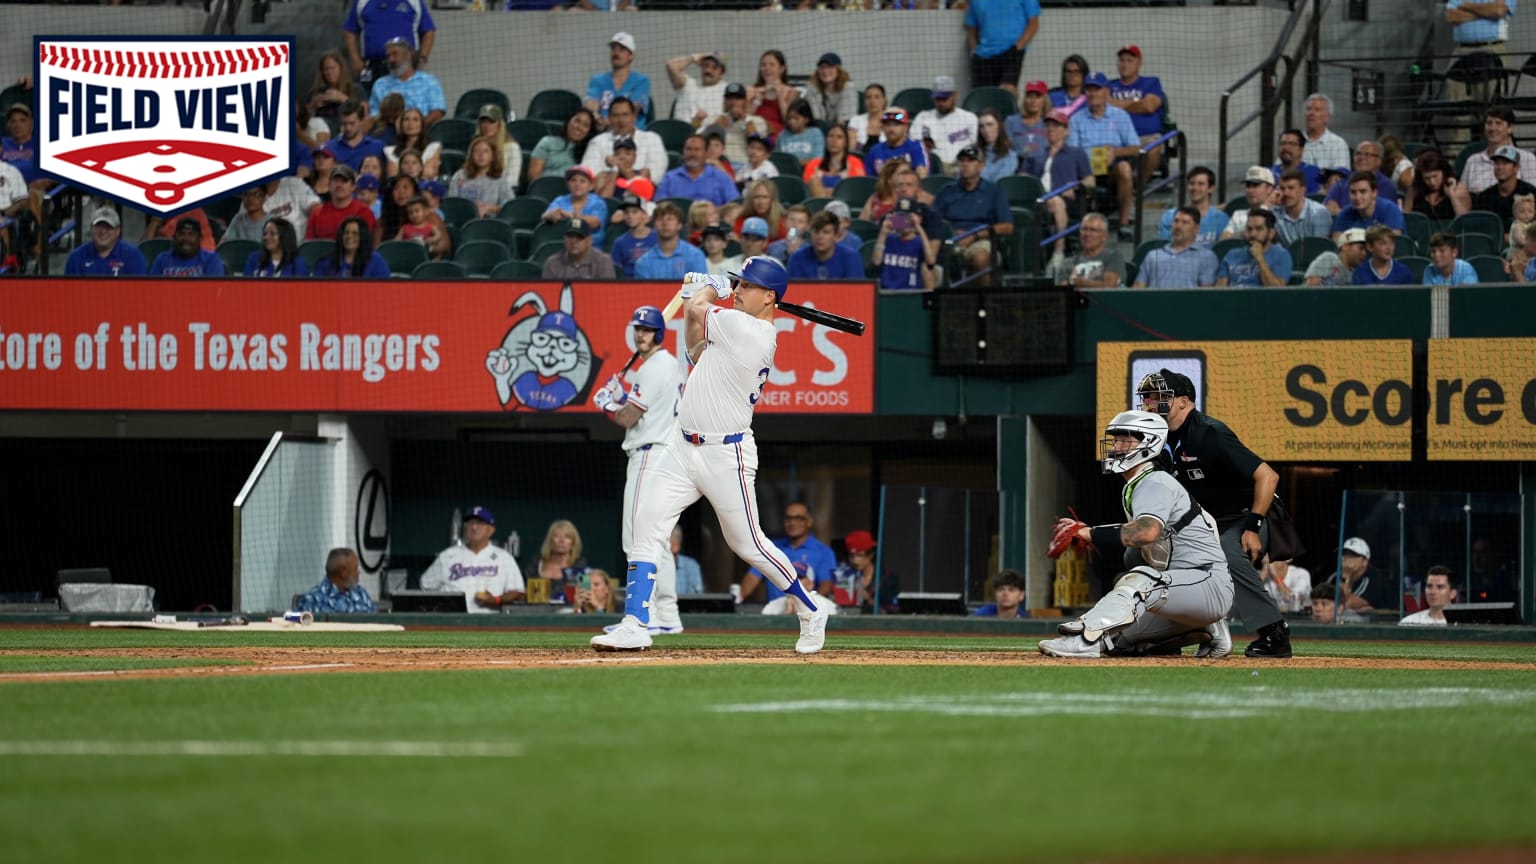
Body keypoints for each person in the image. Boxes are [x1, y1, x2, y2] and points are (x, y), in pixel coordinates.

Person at [591, 260, 831, 654]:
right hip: (682, 446)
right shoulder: (734, 326)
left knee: (748, 543)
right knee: (645, 526)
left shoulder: (752, 331)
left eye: (746, 286)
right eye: (737, 284)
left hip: (726, 454)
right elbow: (693, 345)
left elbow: (698, 308)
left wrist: (709, 287)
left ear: (769, 297)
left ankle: (810, 609)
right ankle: (635, 623)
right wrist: (700, 295)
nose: (738, 291)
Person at [1040, 411, 1233, 659]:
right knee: (1118, 640)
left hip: (1205, 583)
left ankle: (1085, 639)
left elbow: (1147, 532)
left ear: (1150, 443)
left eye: (1126, 440)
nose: (1117, 447)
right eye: (1116, 440)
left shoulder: (1155, 481)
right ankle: (1207, 626)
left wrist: (1089, 532)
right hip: (1187, 590)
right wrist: (1092, 532)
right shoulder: (1140, 483)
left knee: (1140, 578)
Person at [1138, 369, 1289, 657]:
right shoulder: (1158, 441)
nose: (1150, 402)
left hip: (1245, 516)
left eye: (1159, 396)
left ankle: (1274, 633)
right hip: (1204, 524)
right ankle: (1168, 634)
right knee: (1139, 555)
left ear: (1183, 401)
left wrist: (1253, 526)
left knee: (1227, 552)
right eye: (1148, 397)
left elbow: (1268, 477)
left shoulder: (1210, 432)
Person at [593, 306, 684, 634]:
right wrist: (621, 397)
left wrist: (606, 404)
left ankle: (645, 617)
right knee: (657, 539)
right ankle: (667, 615)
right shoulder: (668, 364)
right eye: (638, 329)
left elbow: (628, 418)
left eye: (647, 330)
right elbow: (643, 408)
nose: (641, 334)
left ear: (659, 333)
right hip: (665, 454)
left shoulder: (651, 368)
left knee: (637, 539)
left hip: (648, 456)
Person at [1068, 73, 1139, 238]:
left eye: (1097, 89)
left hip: (1111, 166)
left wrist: (1115, 152)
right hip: (1086, 167)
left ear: (1106, 91)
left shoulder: (1120, 115)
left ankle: (1124, 223)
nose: (1093, 94)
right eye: (1089, 90)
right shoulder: (1076, 119)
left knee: (1125, 168)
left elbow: (1136, 147)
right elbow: (1072, 151)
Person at [1021, 108, 1093, 270]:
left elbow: (1090, 180)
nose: (1051, 129)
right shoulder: (1036, 152)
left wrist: (1077, 185)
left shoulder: (1076, 153)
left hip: (1066, 200)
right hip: (1037, 199)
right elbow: (1023, 177)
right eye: (1048, 126)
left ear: (1066, 130)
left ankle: (1058, 252)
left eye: (1056, 126)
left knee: (1056, 201)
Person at [420, 506, 525, 612]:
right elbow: (425, 586)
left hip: (490, 621)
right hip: (453, 622)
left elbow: (518, 593)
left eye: (480, 523)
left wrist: (495, 600)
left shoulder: (504, 558)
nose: (474, 527)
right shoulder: (447, 556)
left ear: (491, 530)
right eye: (470, 523)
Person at [933, 146, 1014, 283]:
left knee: (980, 258)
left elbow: (1007, 227)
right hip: (950, 241)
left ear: (981, 166)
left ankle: (985, 302)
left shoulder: (994, 191)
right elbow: (934, 221)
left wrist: (974, 235)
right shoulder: (947, 191)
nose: (965, 164)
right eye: (962, 161)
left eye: (971, 161)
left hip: (981, 241)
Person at [736, 499, 838, 605]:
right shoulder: (770, 548)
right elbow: (752, 578)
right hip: (775, 614)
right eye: (788, 518)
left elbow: (826, 586)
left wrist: (811, 607)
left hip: (807, 613)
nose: (792, 523)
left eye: (798, 518)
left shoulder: (823, 552)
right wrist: (737, 601)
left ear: (809, 522)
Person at [343, 0, 435, 89]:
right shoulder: (362, 2)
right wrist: (356, 61)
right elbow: (350, 31)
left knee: (405, 99)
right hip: (370, 66)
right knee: (368, 97)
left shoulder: (414, 2)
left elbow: (429, 31)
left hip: (404, 66)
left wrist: (422, 58)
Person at [1107, 45, 1165, 180]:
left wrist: (1117, 104)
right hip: (1116, 138)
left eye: (1129, 60)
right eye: (1122, 60)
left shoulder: (1151, 82)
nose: (1125, 64)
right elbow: (1104, 106)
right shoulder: (1109, 85)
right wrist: (1135, 102)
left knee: (1154, 148)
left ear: (1139, 63)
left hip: (1145, 136)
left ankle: (1138, 186)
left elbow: (1149, 106)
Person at [582, 97, 667, 183]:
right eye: (616, 115)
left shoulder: (652, 139)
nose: (621, 120)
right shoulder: (597, 142)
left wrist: (617, 169)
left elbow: (656, 177)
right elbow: (588, 176)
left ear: (634, 116)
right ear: (609, 118)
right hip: (605, 195)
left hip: (642, 194)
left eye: (625, 115)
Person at [964, 0, 1042, 93]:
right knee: (983, 97)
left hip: (1011, 52)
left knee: (1007, 93)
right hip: (983, 56)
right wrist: (975, 51)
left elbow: (1033, 24)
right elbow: (971, 30)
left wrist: (1017, 48)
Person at [367, 37, 445, 127]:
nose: (391, 60)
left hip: (423, 130)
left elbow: (438, 111)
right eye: (388, 56)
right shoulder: (380, 84)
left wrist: (418, 127)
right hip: (389, 131)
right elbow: (374, 114)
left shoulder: (429, 81)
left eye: (395, 54)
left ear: (408, 54)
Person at [1133, 207, 1218, 288]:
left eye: (1185, 222)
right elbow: (1137, 292)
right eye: (1176, 221)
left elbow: (1207, 297)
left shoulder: (1206, 257)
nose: (1178, 226)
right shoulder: (1153, 256)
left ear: (1196, 228)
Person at [586, 32, 652, 131]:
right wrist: (595, 115)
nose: (616, 53)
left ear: (631, 56)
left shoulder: (641, 80)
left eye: (622, 49)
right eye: (613, 49)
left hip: (632, 134)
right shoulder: (597, 80)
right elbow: (592, 101)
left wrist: (609, 121)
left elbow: (635, 107)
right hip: (602, 133)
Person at [913, 75, 979, 174]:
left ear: (955, 95)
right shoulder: (922, 117)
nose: (940, 103)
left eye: (944, 98)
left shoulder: (969, 118)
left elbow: (975, 146)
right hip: (932, 168)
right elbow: (901, 117)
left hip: (960, 167)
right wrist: (898, 116)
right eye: (937, 99)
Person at [1462, 108, 1536, 194]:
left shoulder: (1527, 158)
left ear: (1510, 128)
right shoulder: (1473, 161)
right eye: (1489, 123)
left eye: (1498, 123)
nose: (1492, 128)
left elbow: (1533, 195)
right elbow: (1463, 195)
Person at [1316, 536, 1392, 619]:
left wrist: (1346, 575)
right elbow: (1321, 603)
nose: (1346, 558)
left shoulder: (1374, 577)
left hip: (1386, 623)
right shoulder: (1334, 577)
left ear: (1365, 562)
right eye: (1344, 554)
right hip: (1354, 619)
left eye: (1353, 555)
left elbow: (1344, 604)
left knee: (1345, 616)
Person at [656, 134, 739, 207]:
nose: (692, 154)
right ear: (683, 151)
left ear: (706, 153)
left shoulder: (722, 178)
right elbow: (660, 206)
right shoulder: (669, 178)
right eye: (689, 149)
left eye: (697, 149)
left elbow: (734, 207)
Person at [1215, 209, 1291, 287]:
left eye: (1259, 229)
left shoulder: (1281, 255)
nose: (1252, 234)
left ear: (1271, 233)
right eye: (1249, 229)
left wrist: (1260, 259)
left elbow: (1278, 292)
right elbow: (1220, 291)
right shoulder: (1231, 255)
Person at [633, 202, 708, 280]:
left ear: (679, 225)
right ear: (654, 225)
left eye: (670, 219)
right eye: (660, 219)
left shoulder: (695, 256)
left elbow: (700, 290)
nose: (665, 223)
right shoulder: (643, 262)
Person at [1157, 167, 1228, 248]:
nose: (1195, 188)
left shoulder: (1222, 219)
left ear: (1211, 188)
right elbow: (1165, 248)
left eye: (1200, 184)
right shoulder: (1170, 216)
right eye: (1191, 183)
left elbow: (1223, 250)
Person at [1323, 140, 1400, 215]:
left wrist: (1340, 212)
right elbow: (1327, 208)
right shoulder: (1340, 184)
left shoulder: (1387, 186)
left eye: (1367, 154)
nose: (1362, 157)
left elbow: (1375, 214)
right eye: (1358, 154)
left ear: (1378, 161)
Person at [64, 207, 146, 277]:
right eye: (99, 226)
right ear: (91, 228)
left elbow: (140, 292)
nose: (103, 231)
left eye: (109, 227)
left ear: (118, 231)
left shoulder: (133, 256)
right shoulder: (76, 258)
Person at [1470, 145, 1536, 229]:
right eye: (1497, 163)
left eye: (1505, 163)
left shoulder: (1530, 193)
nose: (1500, 167)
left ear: (1516, 168)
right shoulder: (1484, 197)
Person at [305, 163, 375, 241]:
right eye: (336, 181)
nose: (339, 185)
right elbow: (310, 246)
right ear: (329, 186)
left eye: (344, 181)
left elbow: (365, 244)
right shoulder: (317, 214)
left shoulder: (364, 212)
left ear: (353, 187)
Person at [541, 165, 608, 246]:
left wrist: (570, 215)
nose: (577, 184)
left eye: (582, 181)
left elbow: (595, 223)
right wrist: (551, 216)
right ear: (567, 184)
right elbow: (544, 217)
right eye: (573, 180)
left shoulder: (598, 202)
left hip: (591, 250)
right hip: (561, 247)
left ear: (591, 186)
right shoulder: (560, 200)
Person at [1331, 171, 1406, 243]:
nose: (1357, 197)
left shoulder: (1390, 210)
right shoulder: (1345, 213)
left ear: (1374, 193)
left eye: (1363, 192)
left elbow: (1392, 243)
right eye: (1353, 192)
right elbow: (1337, 243)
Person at [874, 205, 937, 292]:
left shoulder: (919, 242)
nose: (905, 222)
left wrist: (919, 228)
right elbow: (876, 261)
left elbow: (931, 262)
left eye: (908, 219)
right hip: (887, 291)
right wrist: (883, 233)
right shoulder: (889, 238)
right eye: (901, 219)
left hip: (911, 292)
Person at [294, 548, 376, 614]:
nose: (358, 572)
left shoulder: (361, 594)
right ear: (343, 572)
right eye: (355, 568)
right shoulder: (313, 600)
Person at [452, 136, 516, 220]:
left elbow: (510, 207)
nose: (481, 155)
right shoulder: (459, 175)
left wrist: (490, 208)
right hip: (462, 220)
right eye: (477, 151)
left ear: (493, 156)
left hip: (490, 223)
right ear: (471, 155)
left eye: (486, 151)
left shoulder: (500, 179)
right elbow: (452, 203)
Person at [788, 210, 863, 279]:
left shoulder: (851, 257)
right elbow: (794, 292)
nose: (820, 237)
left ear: (835, 236)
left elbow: (857, 291)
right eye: (816, 232)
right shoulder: (797, 258)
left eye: (826, 232)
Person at [529, 109, 596, 183]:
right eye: (577, 121)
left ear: (589, 131)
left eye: (585, 125)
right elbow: (533, 177)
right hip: (544, 190)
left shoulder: (590, 152)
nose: (579, 127)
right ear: (568, 122)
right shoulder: (547, 142)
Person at [667, 50, 729, 128]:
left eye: (714, 68)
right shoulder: (689, 85)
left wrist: (697, 122)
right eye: (706, 65)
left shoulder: (727, 90)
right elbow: (671, 66)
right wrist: (694, 57)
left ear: (722, 73)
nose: (708, 70)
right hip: (681, 134)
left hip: (709, 135)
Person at [313, 216, 390, 278]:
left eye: (355, 233)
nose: (349, 236)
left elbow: (385, 289)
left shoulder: (376, 261)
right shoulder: (326, 262)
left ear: (363, 237)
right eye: (346, 233)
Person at [803, 124, 866, 199]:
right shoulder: (813, 164)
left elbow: (856, 190)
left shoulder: (855, 163)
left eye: (839, 137)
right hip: (818, 205)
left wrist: (825, 191)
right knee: (814, 180)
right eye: (831, 136)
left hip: (845, 203)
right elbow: (808, 190)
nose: (834, 140)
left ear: (846, 143)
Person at [1274, 167, 1334, 245]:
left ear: (1302, 190)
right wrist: (1268, 202)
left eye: (1291, 188)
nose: (1286, 193)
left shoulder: (1318, 213)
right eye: (1282, 188)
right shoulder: (1275, 214)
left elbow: (1320, 248)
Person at [542, 218, 616, 280]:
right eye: (570, 236)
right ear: (564, 239)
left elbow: (607, 294)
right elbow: (548, 295)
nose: (573, 241)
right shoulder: (552, 263)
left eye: (580, 237)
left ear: (589, 241)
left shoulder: (603, 261)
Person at [149, 218, 225, 277]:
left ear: (200, 239)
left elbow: (213, 291)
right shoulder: (162, 259)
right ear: (174, 238)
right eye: (181, 234)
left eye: (191, 234)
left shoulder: (211, 260)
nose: (186, 238)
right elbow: (152, 290)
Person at [747, 49, 797, 138]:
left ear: (781, 69)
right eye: (763, 65)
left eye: (772, 64)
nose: (767, 68)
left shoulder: (791, 91)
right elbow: (745, 118)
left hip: (779, 135)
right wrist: (757, 100)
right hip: (756, 135)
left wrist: (781, 98)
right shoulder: (751, 90)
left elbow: (790, 122)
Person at [865, 109, 929, 178]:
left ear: (906, 127)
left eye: (896, 124)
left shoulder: (916, 147)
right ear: (882, 127)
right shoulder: (875, 151)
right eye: (888, 125)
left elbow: (922, 175)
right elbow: (869, 181)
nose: (891, 129)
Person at [1067, 213, 1125, 288]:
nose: (1087, 234)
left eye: (1093, 230)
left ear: (1104, 236)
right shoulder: (1074, 260)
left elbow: (1109, 287)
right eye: (1084, 229)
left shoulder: (1113, 257)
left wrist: (1078, 282)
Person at [329, 101, 387, 174]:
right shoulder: (330, 148)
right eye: (344, 123)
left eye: (352, 123)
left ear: (361, 121)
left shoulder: (378, 147)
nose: (348, 128)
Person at [1222, 166, 1279, 240]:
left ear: (1269, 189)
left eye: (1255, 185)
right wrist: (1243, 234)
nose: (1250, 190)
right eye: (1248, 186)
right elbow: (1224, 240)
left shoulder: (1278, 214)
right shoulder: (1238, 215)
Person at [610, 192, 658, 278]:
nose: (630, 216)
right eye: (627, 212)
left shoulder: (658, 238)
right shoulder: (620, 242)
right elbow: (616, 270)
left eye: (634, 212)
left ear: (644, 214)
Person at [1004, 80, 1050, 164]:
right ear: (1025, 99)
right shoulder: (1011, 121)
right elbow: (1006, 150)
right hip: (1017, 164)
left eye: (1038, 97)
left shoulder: (1049, 122)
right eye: (1030, 96)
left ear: (1044, 100)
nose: (1033, 101)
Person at [1300, 93, 1349, 170]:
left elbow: (1339, 177)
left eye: (1317, 110)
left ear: (1327, 117)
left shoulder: (1338, 144)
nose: (1311, 113)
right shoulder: (1295, 140)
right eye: (1308, 109)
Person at [807, 53, 856, 128]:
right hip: (820, 130)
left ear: (839, 69)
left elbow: (844, 120)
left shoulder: (848, 88)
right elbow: (816, 119)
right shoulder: (812, 89)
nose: (825, 71)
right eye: (822, 67)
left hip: (842, 132)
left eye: (830, 67)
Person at [1271, 128, 1322, 195]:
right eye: (1283, 143)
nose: (1286, 147)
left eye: (1292, 144)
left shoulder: (1314, 172)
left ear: (1301, 149)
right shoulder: (1268, 173)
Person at [775, 98, 824, 165]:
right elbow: (777, 158)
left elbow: (818, 159)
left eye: (796, 118)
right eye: (789, 118)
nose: (791, 122)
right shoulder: (782, 135)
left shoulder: (815, 133)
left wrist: (795, 164)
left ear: (806, 119)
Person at [975, 109, 1018, 183]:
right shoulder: (973, 153)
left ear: (999, 126)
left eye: (990, 124)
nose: (986, 130)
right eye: (982, 126)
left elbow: (999, 182)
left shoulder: (1010, 156)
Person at [847, 83, 890, 154]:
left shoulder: (892, 117)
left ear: (884, 100)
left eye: (877, 97)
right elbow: (852, 149)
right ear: (864, 101)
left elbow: (901, 116)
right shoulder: (856, 120)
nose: (872, 101)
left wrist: (889, 114)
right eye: (868, 97)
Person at [671, 526, 704, 596]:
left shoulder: (692, 566)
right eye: (669, 554)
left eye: (674, 555)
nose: (671, 559)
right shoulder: (656, 566)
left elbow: (696, 598)